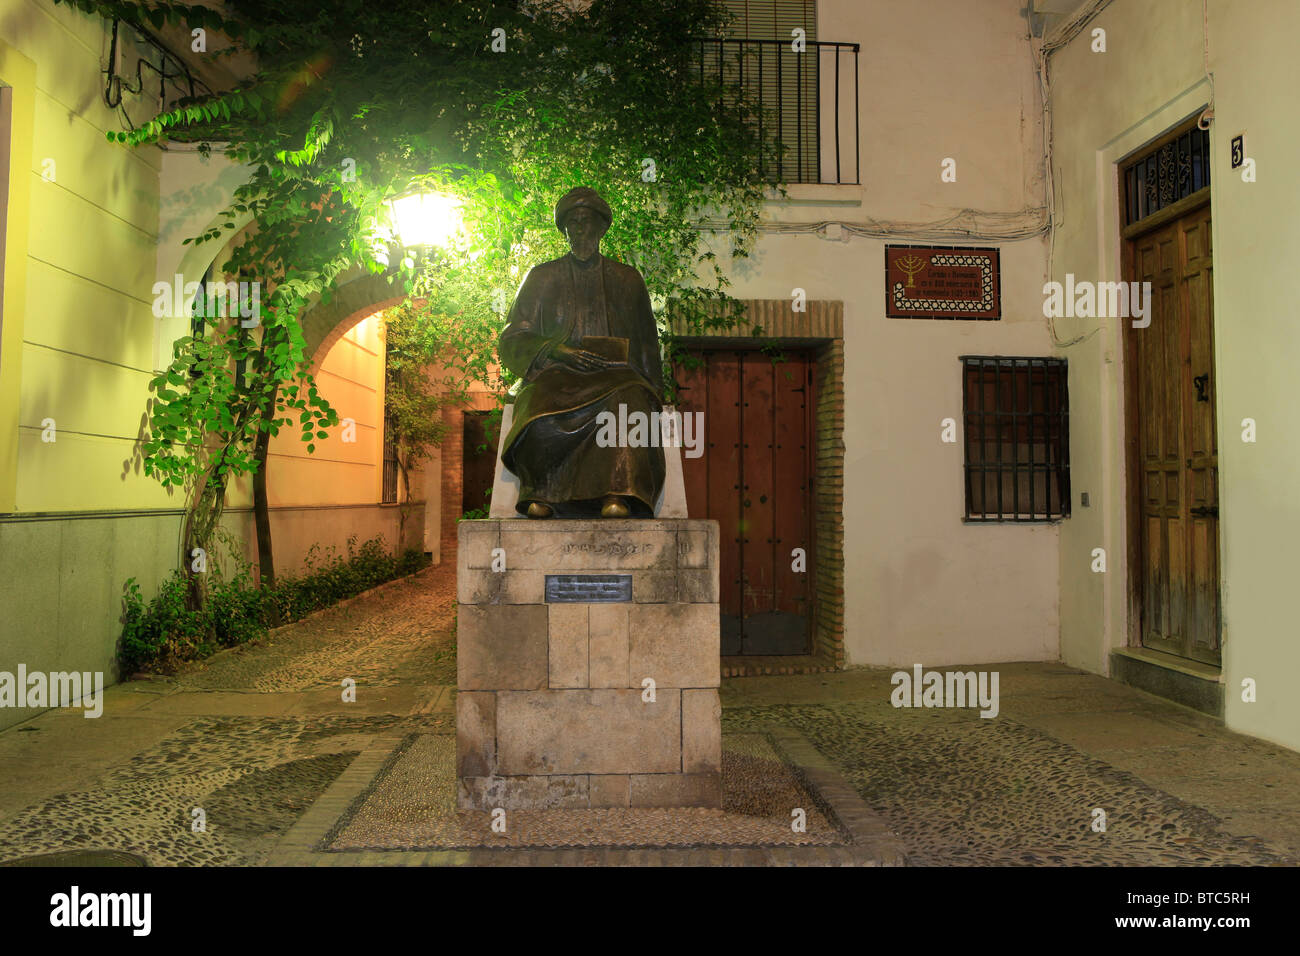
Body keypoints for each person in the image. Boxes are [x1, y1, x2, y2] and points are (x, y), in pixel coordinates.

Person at [498, 187, 666, 519]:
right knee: (538, 406)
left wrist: (656, 390)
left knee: (628, 401)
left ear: (601, 227)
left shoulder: (627, 279)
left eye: (586, 221)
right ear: (564, 230)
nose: (579, 229)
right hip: (556, 374)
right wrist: (556, 351)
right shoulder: (541, 276)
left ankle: (617, 493)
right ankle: (543, 493)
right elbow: (514, 334)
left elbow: (647, 343)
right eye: (572, 223)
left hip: (616, 374)